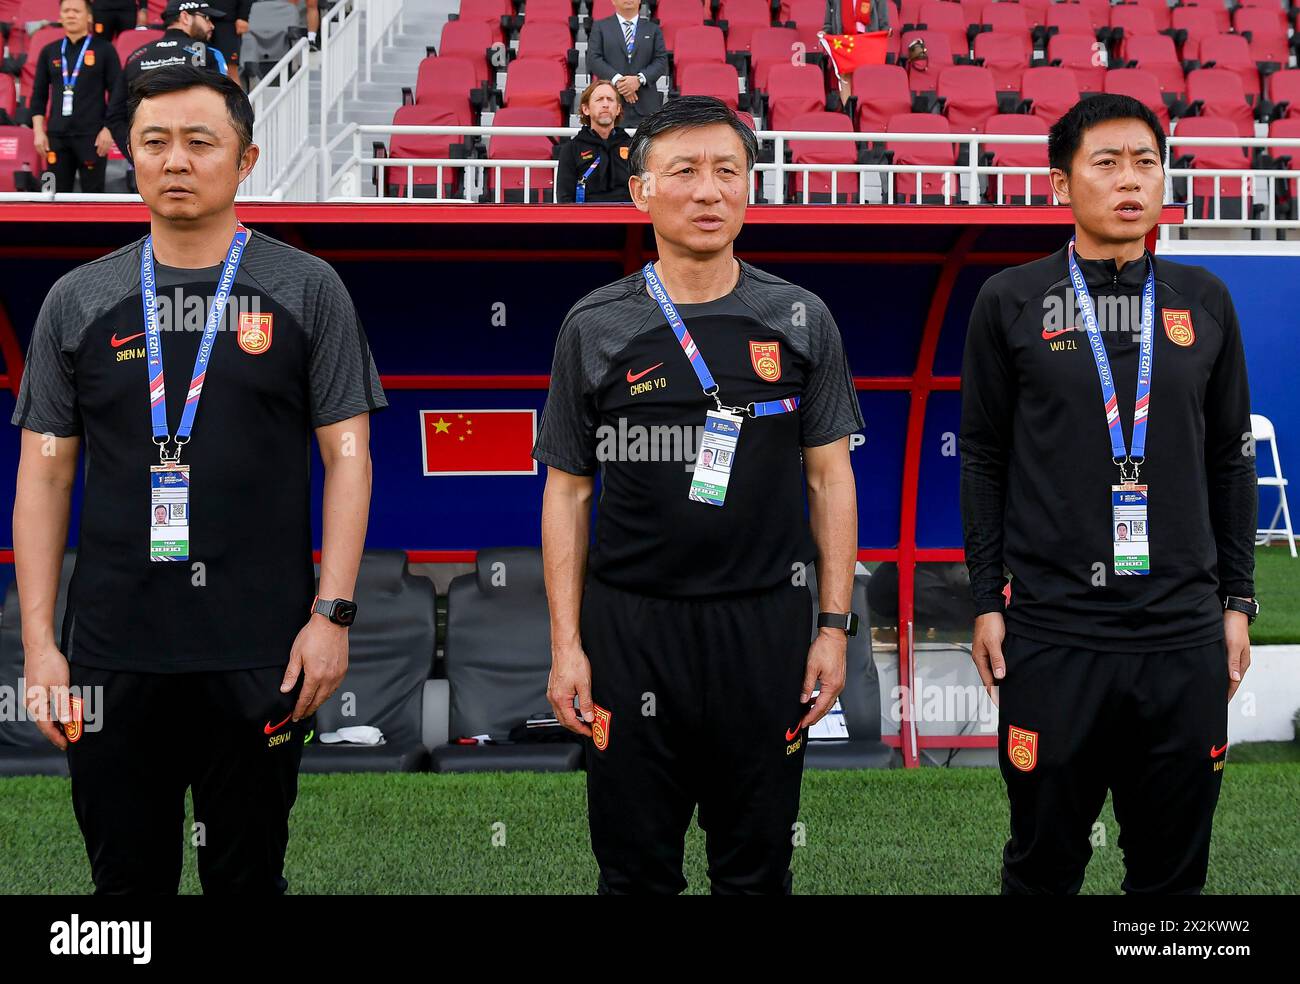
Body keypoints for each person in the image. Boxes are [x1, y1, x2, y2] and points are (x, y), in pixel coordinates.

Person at [14, 64, 387, 894]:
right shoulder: (78, 300)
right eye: (155, 142)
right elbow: (43, 480)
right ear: (129, 158)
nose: (175, 160)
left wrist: (331, 615)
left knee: (247, 878)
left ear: (245, 159)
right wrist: (41, 648)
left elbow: (349, 460)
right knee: (124, 887)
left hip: (262, 651)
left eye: (199, 141)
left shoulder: (306, 289)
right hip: (112, 655)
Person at [535, 96, 863, 895]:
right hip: (632, 628)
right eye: (684, 171)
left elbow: (830, 478)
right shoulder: (596, 325)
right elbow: (568, 492)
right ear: (641, 190)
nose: (709, 191)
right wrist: (567, 644)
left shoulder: (800, 318)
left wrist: (833, 627)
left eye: (728, 171)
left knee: (756, 871)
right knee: (634, 870)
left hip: (764, 628)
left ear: (751, 189)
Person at [959, 94, 1257, 895]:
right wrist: (988, 598)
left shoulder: (1206, 300)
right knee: (1044, 862)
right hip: (1055, 631)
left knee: (1171, 874)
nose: (1131, 180)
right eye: (1107, 162)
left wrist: (1238, 600)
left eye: (1146, 162)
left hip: (1182, 632)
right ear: (1061, 185)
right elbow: (982, 459)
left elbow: (1231, 462)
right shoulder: (1010, 300)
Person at [105, 0, 229, 159]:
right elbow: (224, 107)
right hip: (194, 160)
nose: (211, 25)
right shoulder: (207, 53)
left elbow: (115, 116)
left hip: (150, 158)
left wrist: (136, 155)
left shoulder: (137, 56)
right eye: (206, 18)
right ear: (185, 17)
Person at [30, 0, 122, 193]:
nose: (71, 15)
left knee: (93, 196)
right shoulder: (49, 51)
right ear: (60, 16)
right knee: (55, 196)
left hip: (92, 138)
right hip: (56, 137)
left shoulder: (104, 50)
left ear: (89, 16)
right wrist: (39, 132)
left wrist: (108, 130)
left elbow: (117, 94)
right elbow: (38, 96)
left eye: (76, 11)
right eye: (66, 11)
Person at [585, 0, 667, 130]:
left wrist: (638, 80)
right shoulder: (600, 27)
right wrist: (619, 82)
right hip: (611, 104)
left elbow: (661, 61)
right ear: (613, 1)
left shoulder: (653, 29)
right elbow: (593, 59)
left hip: (646, 106)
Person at [556, 80, 632, 204]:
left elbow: (644, 193)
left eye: (610, 99)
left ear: (618, 109)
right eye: (599, 99)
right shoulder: (571, 149)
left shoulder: (634, 147)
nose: (605, 104)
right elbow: (565, 200)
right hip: (586, 221)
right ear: (586, 109)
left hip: (627, 219)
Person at [823, 0, 891, 34]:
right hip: (843, 38)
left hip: (868, 36)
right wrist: (826, 30)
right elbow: (830, 11)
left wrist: (884, 28)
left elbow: (881, 8)